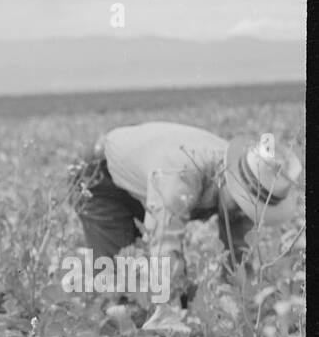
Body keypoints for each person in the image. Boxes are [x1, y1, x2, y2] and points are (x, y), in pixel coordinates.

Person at [70, 122, 302, 303]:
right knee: (121, 281)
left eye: (252, 207)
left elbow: (238, 256)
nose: (243, 212)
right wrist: (170, 316)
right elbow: (164, 250)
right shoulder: (179, 179)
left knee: (160, 285)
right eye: (242, 203)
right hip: (99, 177)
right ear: (225, 179)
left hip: (149, 172)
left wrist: (242, 302)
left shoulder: (250, 174)